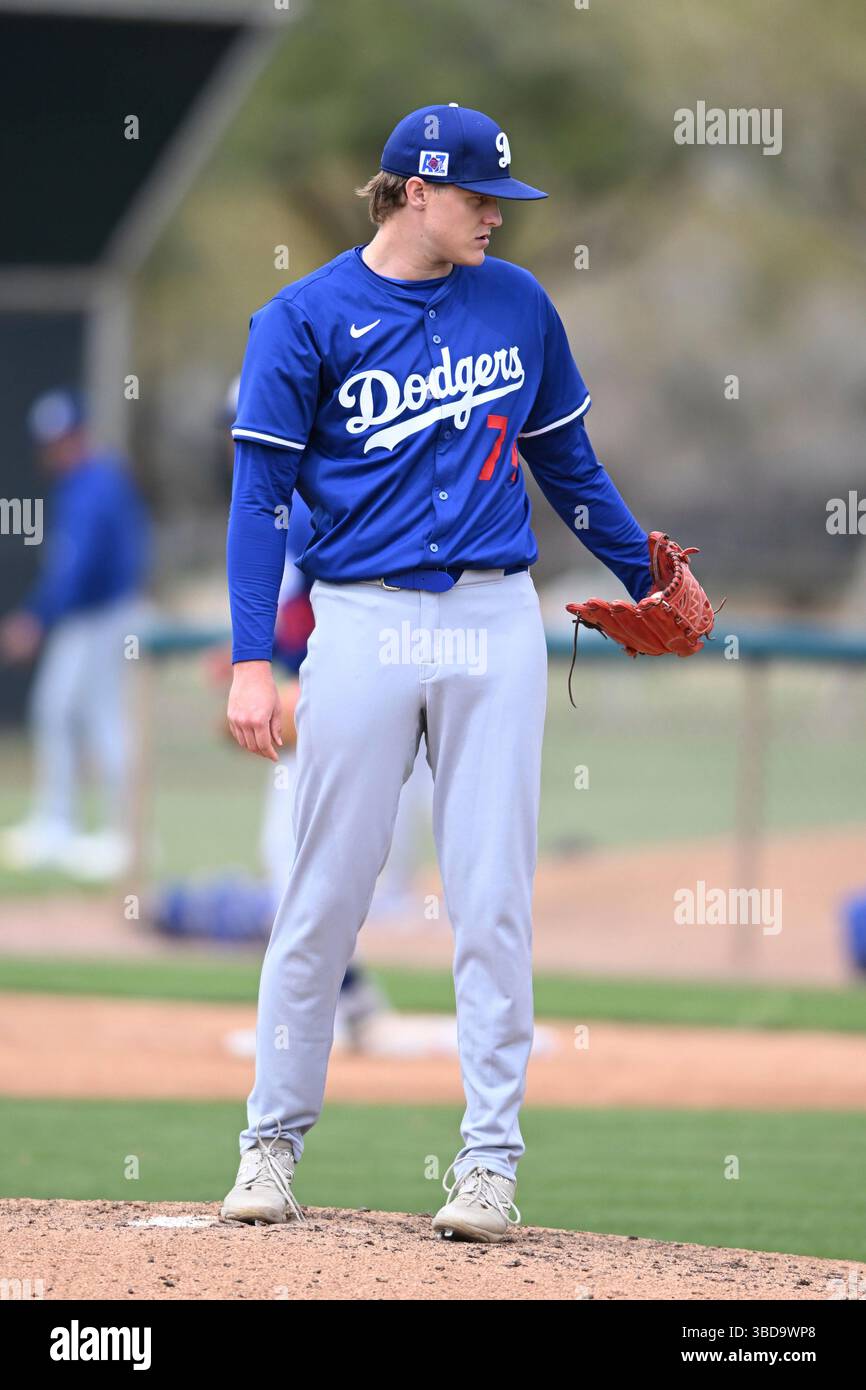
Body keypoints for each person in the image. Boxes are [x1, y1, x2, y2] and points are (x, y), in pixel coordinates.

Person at [220, 104, 654, 1242]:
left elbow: (564, 460)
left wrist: (645, 573)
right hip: (360, 619)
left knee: (492, 901)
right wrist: (252, 661)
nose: (495, 214)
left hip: (491, 614)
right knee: (320, 897)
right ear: (414, 191)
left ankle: (488, 1163)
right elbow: (260, 501)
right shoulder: (302, 317)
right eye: (475, 196)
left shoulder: (515, 303)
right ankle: (269, 1146)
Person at [0, 389, 150, 881]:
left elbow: (78, 567)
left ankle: (123, 836)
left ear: (79, 435)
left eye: (62, 439)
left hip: (106, 615)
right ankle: (57, 823)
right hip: (86, 617)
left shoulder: (98, 482)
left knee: (104, 720)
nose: (55, 450)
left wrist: (36, 618)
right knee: (56, 710)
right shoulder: (76, 483)